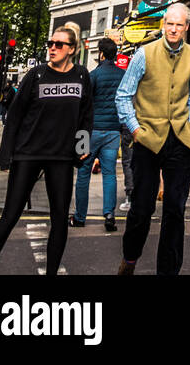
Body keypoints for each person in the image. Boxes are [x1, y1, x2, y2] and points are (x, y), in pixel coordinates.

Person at [0, 26, 93, 276]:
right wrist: (5, 155)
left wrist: (82, 148)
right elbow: (16, 115)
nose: (52, 48)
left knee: (60, 219)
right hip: (28, 154)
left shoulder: (82, 76)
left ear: (72, 50)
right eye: (50, 43)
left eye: (59, 44)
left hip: (61, 158)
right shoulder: (37, 75)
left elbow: (86, 116)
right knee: (9, 217)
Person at [114, 3, 190, 276]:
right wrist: (135, 129)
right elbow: (123, 95)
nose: (173, 29)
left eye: (179, 25)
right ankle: (130, 258)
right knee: (141, 207)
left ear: (187, 27)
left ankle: (168, 271)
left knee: (176, 209)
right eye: (169, 24)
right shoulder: (145, 54)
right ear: (163, 24)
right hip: (148, 140)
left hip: (179, 139)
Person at [70, 37, 124, 232]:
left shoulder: (92, 75)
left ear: (101, 54)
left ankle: (79, 217)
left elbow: (82, 106)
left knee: (82, 173)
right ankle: (109, 215)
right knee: (110, 174)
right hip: (112, 130)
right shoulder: (122, 75)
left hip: (88, 132)